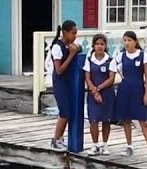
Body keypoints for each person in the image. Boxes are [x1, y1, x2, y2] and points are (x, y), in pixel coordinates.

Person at [113, 31, 147, 160]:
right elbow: (115, 68)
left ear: (135, 41)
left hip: (138, 89)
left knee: (143, 121)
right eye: (125, 40)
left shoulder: (143, 56)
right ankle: (129, 146)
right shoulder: (120, 56)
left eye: (129, 40)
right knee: (126, 119)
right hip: (125, 89)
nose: (127, 43)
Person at [83, 33, 117, 156]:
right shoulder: (88, 60)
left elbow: (111, 79)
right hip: (93, 94)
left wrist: (98, 88)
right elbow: (87, 77)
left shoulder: (110, 60)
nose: (99, 46)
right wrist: (94, 91)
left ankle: (104, 144)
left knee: (106, 120)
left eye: (102, 44)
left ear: (105, 46)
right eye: (97, 44)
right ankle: (95, 145)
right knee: (94, 120)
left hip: (107, 93)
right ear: (93, 46)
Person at [49, 20, 80, 151]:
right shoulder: (58, 47)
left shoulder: (69, 45)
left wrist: (75, 50)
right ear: (65, 33)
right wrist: (71, 55)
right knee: (65, 111)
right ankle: (56, 139)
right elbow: (59, 70)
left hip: (68, 83)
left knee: (69, 110)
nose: (75, 36)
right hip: (60, 83)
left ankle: (61, 138)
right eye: (73, 33)